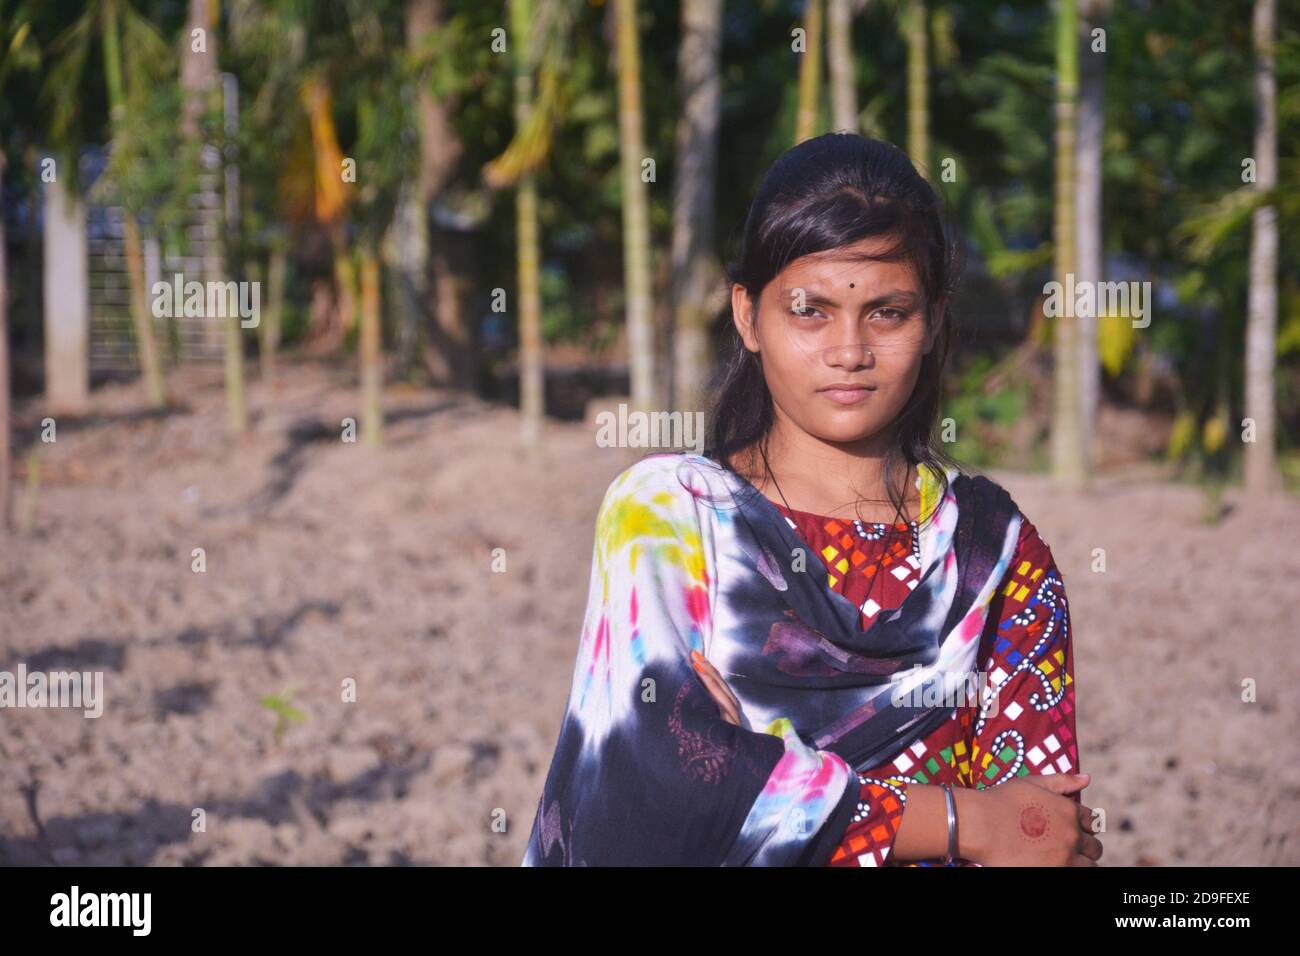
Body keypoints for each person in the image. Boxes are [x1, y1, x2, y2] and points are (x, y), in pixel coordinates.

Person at [521, 132, 1102, 867]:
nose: (849, 350)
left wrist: (759, 770)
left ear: (932, 323)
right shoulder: (674, 517)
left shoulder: (994, 555)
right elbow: (656, 779)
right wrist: (964, 821)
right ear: (747, 315)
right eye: (810, 311)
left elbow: (1040, 834)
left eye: (888, 313)